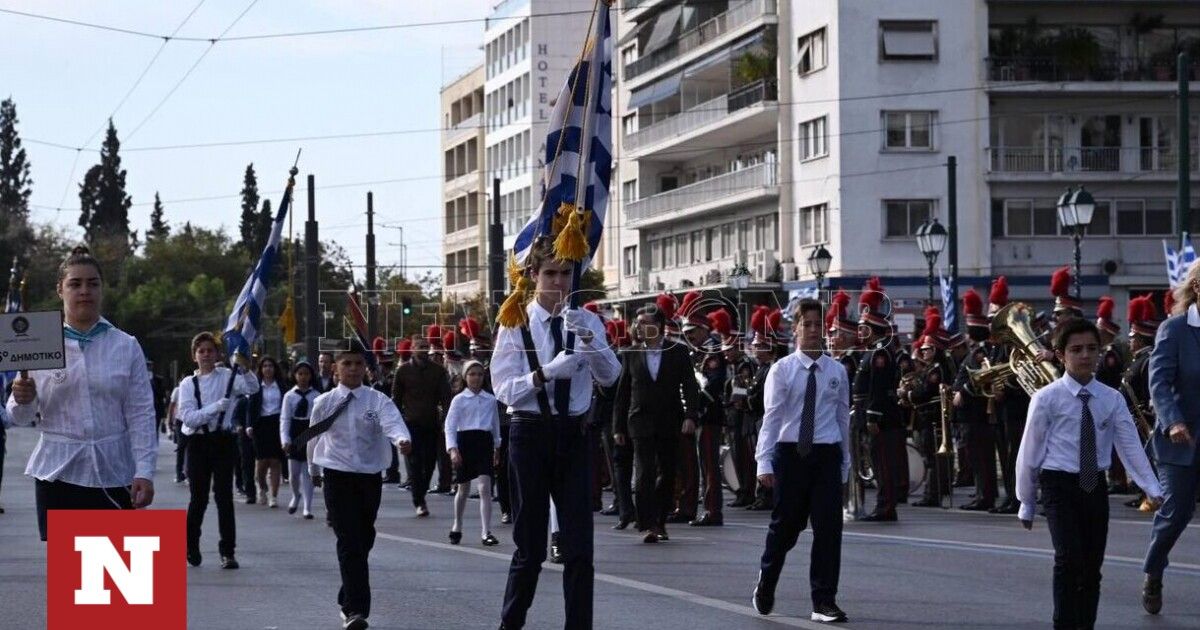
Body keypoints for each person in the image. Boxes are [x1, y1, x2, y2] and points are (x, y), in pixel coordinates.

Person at [491, 236, 620, 630]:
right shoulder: (515, 321)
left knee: (580, 549)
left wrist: (590, 339)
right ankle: (510, 624)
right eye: (550, 273)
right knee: (530, 548)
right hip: (529, 435)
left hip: (574, 436)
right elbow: (504, 389)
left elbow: (611, 375)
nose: (559, 282)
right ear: (533, 275)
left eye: (566, 274)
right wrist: (546, 373)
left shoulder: (587, 319)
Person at [1016, 318, 1162, 630]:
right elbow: (1030, 453)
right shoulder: (1046, 398)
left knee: (1092, 566)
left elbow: (1130, 446)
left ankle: (1085, 624)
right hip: (1058, 485)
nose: (1085, 356)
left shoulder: (1111, 398)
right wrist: (1026, 501)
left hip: (1094, 485)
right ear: (1060, 354)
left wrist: (1152, 487)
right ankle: (1064, 624)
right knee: (1069, 559)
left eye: (1092, 349)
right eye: (1076, 349)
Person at [6, 246, 157, 541]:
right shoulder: (38, 343)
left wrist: (145, 471)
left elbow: (141, 413)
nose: (84, 291)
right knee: (74, 583)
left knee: (125, 582)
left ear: (102, 288)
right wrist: (22, 397)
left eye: (93, 283)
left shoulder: (125, 345)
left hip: (115, 473)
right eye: (75, 284)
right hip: (59, 475)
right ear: (60, 290)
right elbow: (20, 416)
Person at [753, 299, 850, 623]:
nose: (812, 331)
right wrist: (763, 462)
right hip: (791, 453)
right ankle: (766, 581)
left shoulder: (837, 371)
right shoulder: (782, 370)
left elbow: (842, 419)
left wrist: (844, 462)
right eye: (806, 324)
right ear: (794, 329)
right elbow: (772, 417)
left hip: (825, 453)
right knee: (786, 528)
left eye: (817, 325)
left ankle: (824, 601)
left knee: (828, 528)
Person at [301, 346, 412, 630]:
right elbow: (314, 437)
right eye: (346, 364)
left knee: (364, 539)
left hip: (368, 476)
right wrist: (313, 470)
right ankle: (356, 611)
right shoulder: (325, 402)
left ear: (365, 368)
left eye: (358, 364)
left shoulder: (377, 400)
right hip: (336, 476)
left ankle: (346, 594)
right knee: (349, 541)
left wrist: (401, 440)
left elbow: (393, 423)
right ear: (335, 368)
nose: (352, 369)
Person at [613, 303, 701, 544]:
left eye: (645, 323)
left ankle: (660, 520)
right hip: (639, 421)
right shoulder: (630, 353)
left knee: (667, 473)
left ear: (659, 327)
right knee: (644, 474)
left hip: (669, 421)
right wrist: (618, 428)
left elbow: (690, 386)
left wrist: (690, 416)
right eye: (637, 323)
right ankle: (648, 522)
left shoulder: (678, 351)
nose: (639, 327)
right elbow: (622, 393)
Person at [1142, 266, 1200, 615]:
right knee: (1177, 511)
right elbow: (1158, 382)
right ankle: (1153, 570)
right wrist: (1173, 421)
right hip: (1182, 438)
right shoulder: (1175, 329)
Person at [178, 331, 260, 569]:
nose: (205, 355)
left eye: (210, 350)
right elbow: (189, 418)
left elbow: (252, 388)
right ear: (194, 356)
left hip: (223, 442)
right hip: (198, 443)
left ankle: (228, 552)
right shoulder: (187, 384)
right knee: (198, 499)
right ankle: (191, 546)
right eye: (201, 351)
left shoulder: (226, 375)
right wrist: (216, 407)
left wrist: (243, 366)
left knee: (224, 498)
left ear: (217, 354)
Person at [391, 336, 452, 517]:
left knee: (430, 463)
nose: (424, 350)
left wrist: (446, 420)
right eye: (420, 347)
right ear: (412, 349)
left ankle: (422, 491)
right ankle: (419, 501)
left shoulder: (438, 371)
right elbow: (396, 399)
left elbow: (446, 399)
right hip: (411, 424)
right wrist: (396, 424)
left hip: (432, 424)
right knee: (415, 463)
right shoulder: (402, 372)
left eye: (426, 347)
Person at [445, 360, 502, 546]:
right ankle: (457, 524)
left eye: (479, 374)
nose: (476, 378)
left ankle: (486, 531)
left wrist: (497, 446)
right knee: (463, 488)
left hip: (484, 443)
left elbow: (495, 425)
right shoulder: (459, 399)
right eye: (472, 374)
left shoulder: (490, 399)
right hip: (465, 443)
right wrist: (452, 449)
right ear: (464, 377)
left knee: (485, 487)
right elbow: (450, 426)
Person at [280, 361, 320, 519]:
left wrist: (317, 438)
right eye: (300, 374)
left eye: (306, 374)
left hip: (309, 430)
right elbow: (285, 419)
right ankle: (296, 495)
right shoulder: (289, 396)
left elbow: (318, 419)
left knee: (309, 471)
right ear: (295, 375)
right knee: (294, 473)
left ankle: (307, 507)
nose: (303, 377)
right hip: (295, 430)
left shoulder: (316, 395)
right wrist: (285, 439)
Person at [247, 356, 287, 507]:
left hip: (277, 423)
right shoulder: (256, 386)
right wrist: (248, 425)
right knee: (262, 461)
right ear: (261, 369)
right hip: (260, 425)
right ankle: (262, 488)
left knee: (276, 461)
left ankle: (274, 496)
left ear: (275, 369)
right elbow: (251, 407)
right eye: (265, 366)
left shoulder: (282, 386)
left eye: (270, 366)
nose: (268, 368)